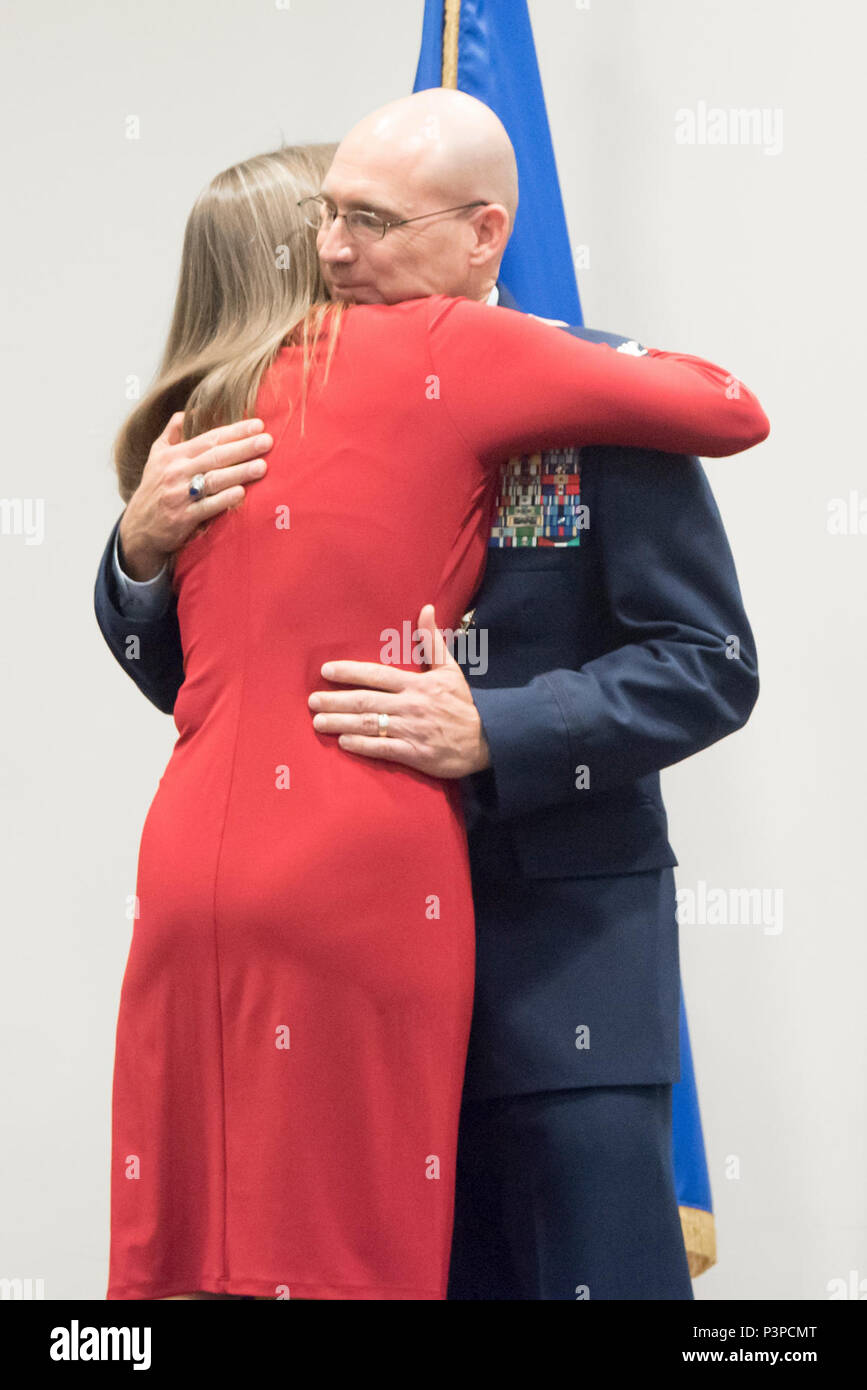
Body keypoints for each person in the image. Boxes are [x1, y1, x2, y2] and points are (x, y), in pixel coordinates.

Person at [96, 94, 769, 1301]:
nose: (334, 251)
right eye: (328, 218)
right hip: (352, 987)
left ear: (484, 234)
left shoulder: (600, 398)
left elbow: (709, 662)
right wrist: (138, 557)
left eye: (372, 222)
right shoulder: (280, 393)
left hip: (555, 970)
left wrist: (496, 731)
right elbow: (203, 686)